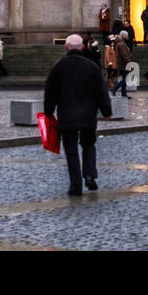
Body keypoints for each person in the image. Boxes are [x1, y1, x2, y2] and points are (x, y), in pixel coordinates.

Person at [44, 34, 113, 196]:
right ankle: (89, 175)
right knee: (89, 145)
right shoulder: (91, 66)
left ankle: (75, 185)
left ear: (66, 47)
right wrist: (106, 111)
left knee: (71, 151)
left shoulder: (58, 67)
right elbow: (101, 91)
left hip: (67, 115)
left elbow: (50, 93)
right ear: (82, 47)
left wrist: (48, 112)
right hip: (88, 115)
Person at [112, 31, 133, 97]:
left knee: (124, 78)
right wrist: (130, 64)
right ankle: (114, 89)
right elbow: (124, 56)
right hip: (123, 65)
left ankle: (123, 94)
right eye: (127, 35)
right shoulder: (121, 44)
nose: (128, 37)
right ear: (124, 36)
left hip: (122, 64)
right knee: (125, 79)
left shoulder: (120, 43)